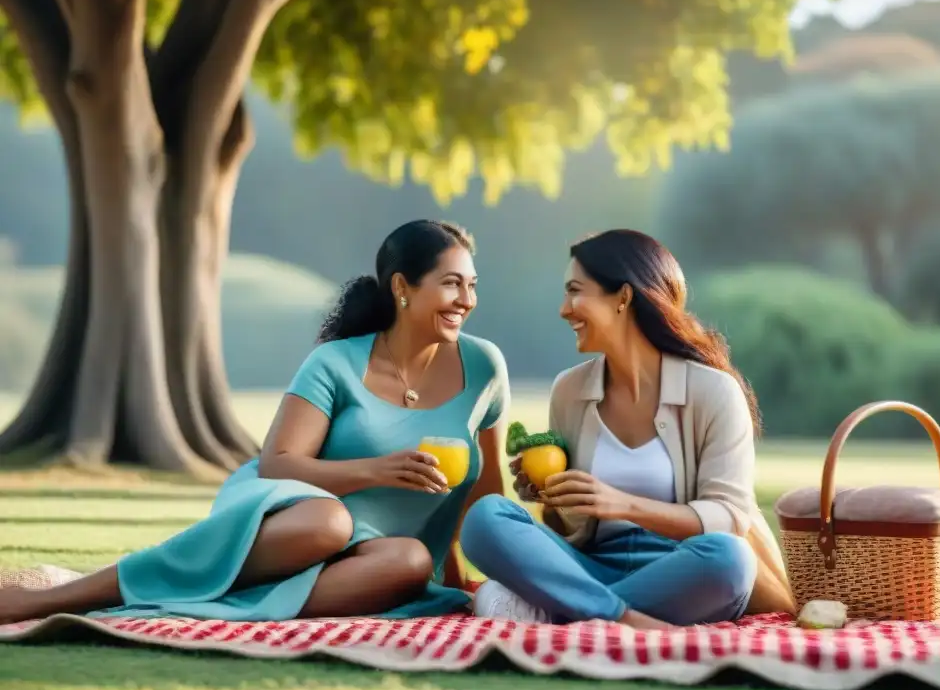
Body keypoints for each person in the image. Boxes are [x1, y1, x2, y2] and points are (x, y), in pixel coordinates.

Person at [0, 220, 509, 625]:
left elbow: (484, 493)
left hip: (377, 552)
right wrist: (378, 470)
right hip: (294, 517)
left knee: (412, 563)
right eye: (452, 284)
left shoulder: (483, 366)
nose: (467, 299)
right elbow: (277, 463)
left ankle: (211, 602)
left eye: (472, 285)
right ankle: (66, 595)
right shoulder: (336, 363)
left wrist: (464, 570)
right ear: (402, 287)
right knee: (328, 524)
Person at [460, 229, 795, 629]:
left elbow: (729, 516)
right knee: (486, 517)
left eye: (575, 291)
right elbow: (569, 526)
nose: (564, 309)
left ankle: (562, 610)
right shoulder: (569, 391)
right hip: (589, 567)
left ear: (623, 297)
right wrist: (553, 496)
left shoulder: (714, 392)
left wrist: (621, 503)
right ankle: (622, 616)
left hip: (679, 572)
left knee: (732, 559)